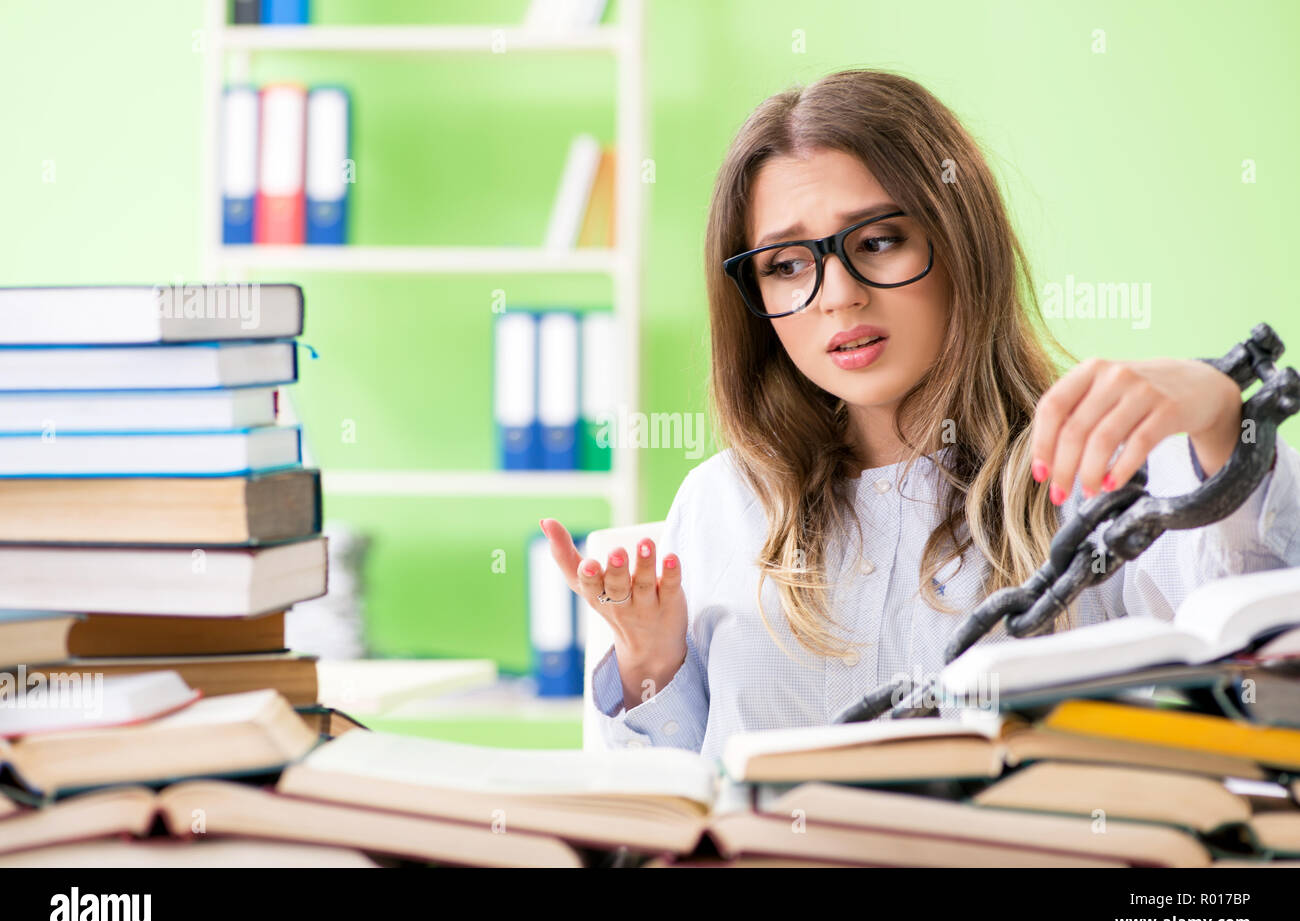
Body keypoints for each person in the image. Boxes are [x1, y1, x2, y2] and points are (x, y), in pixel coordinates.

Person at [539, 69, 1300, 764]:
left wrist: (1221, 424)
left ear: (959, 238)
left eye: (878, 241)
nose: (837, 294)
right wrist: (649, 665)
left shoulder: (1096, 460)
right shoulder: (719, 505)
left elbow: (1267, 669)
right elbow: (663, 805)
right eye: (786, 264)